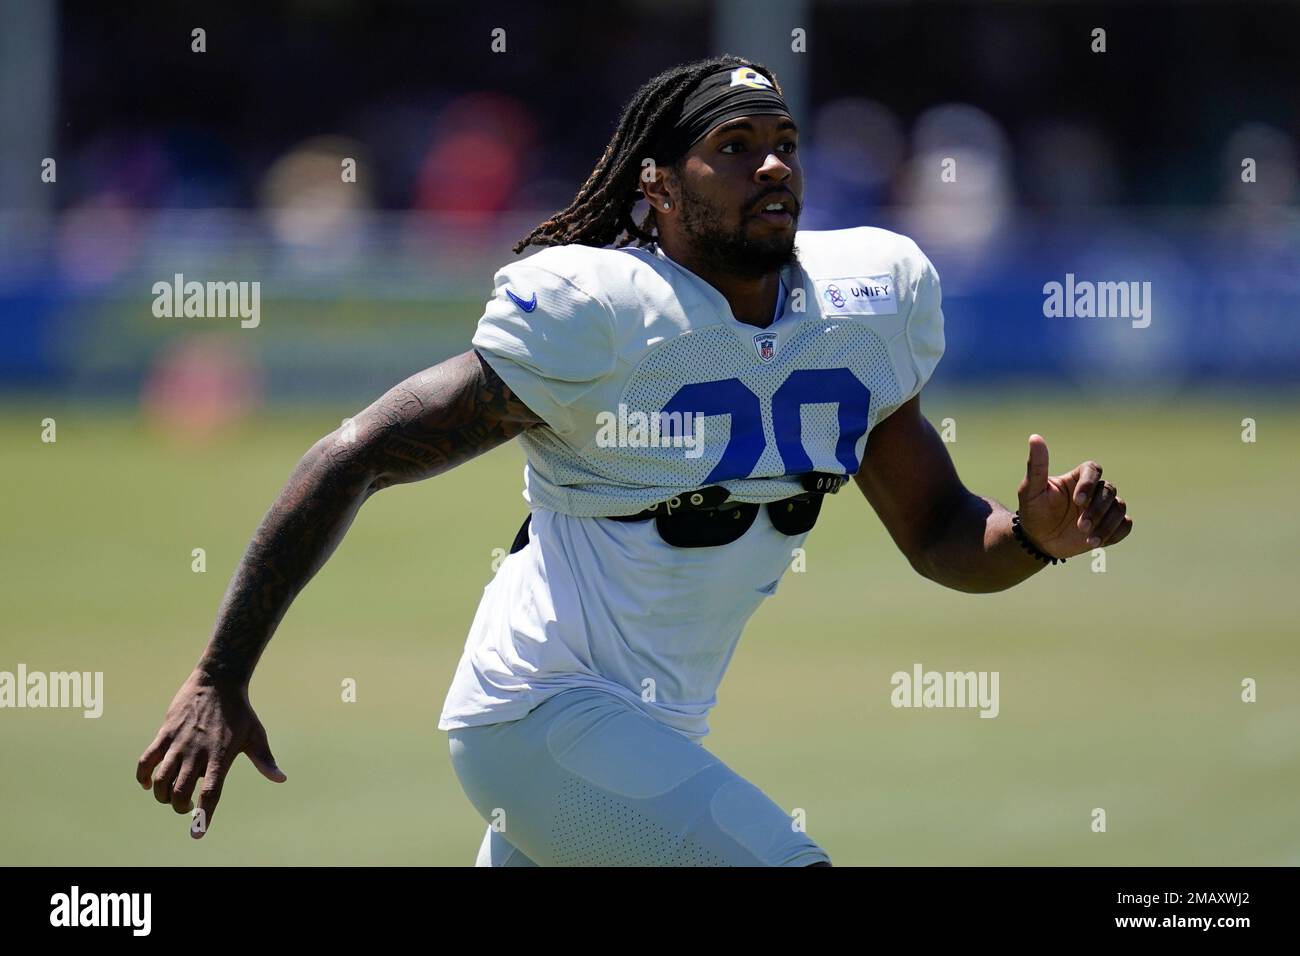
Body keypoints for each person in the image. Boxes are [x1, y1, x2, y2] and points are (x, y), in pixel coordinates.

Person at [136, 55, 1133, 866]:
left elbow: (935, 532)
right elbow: (358, 453)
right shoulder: (598, 317)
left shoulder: (864, 307)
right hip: (537, 715)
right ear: (656, 185)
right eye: (733, 148)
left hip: (647, 740)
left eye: (784, 144)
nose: (774, 166)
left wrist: (1031, 539)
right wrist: (220, 674)